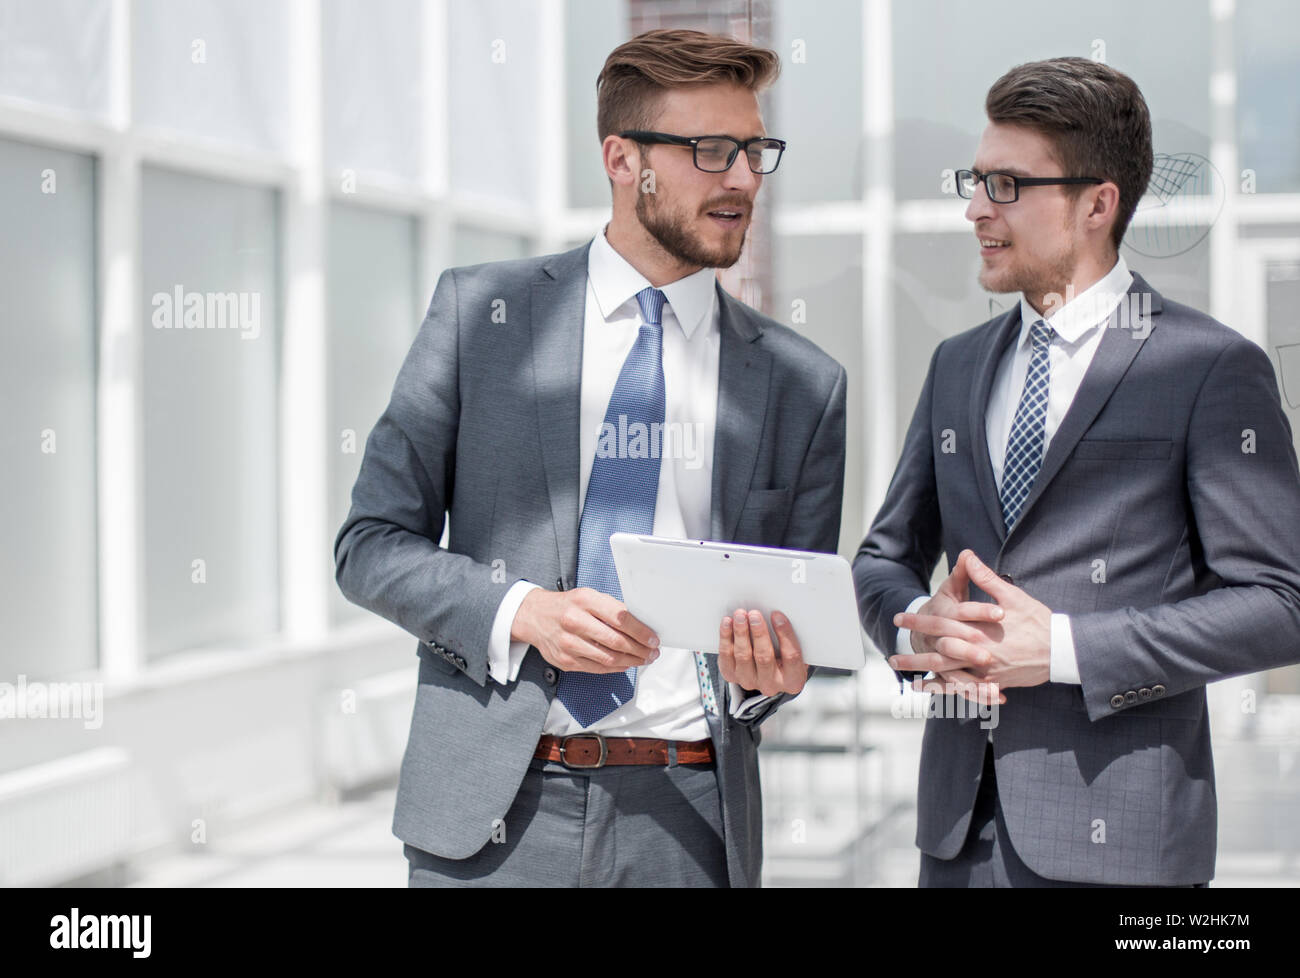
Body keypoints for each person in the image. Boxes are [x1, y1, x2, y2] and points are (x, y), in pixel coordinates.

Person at [334, 28, 846, 888]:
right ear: (621, 158)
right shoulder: (478, 318)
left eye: (756, 151)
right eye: (712, 151)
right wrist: (521, 610)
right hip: (491, 822)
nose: (744, 180)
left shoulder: (803, 385)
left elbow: (784, 634)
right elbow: (371, 546)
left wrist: (774, 676)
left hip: (686, 825)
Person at [852, 57, 1300, 887]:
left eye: (1008, 185)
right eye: (975, 180)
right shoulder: (957, 366)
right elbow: (883, 557)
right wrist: (921, 621)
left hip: (1123, 847)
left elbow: (1280, 605)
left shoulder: (1209, 368)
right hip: (956, 840)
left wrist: (1060, 648)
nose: (976, 207)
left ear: (1098, 204)